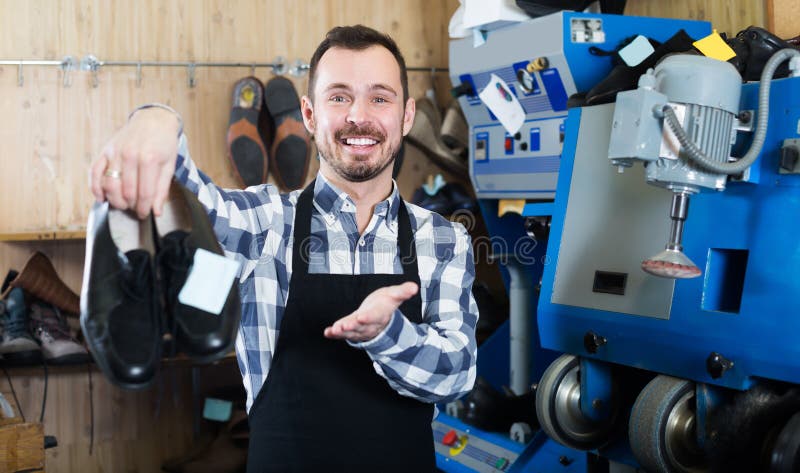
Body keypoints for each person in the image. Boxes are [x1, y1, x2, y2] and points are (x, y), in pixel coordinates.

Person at [90, 25, 478, 472]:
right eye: (338, 97)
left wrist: (387, 334)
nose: (358, 115)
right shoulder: (263, 223)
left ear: (406, 116)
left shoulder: (443, 239)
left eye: (379, 97)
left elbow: (458, 374)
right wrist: (155, 119)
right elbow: (191, 196)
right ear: (309, 115)